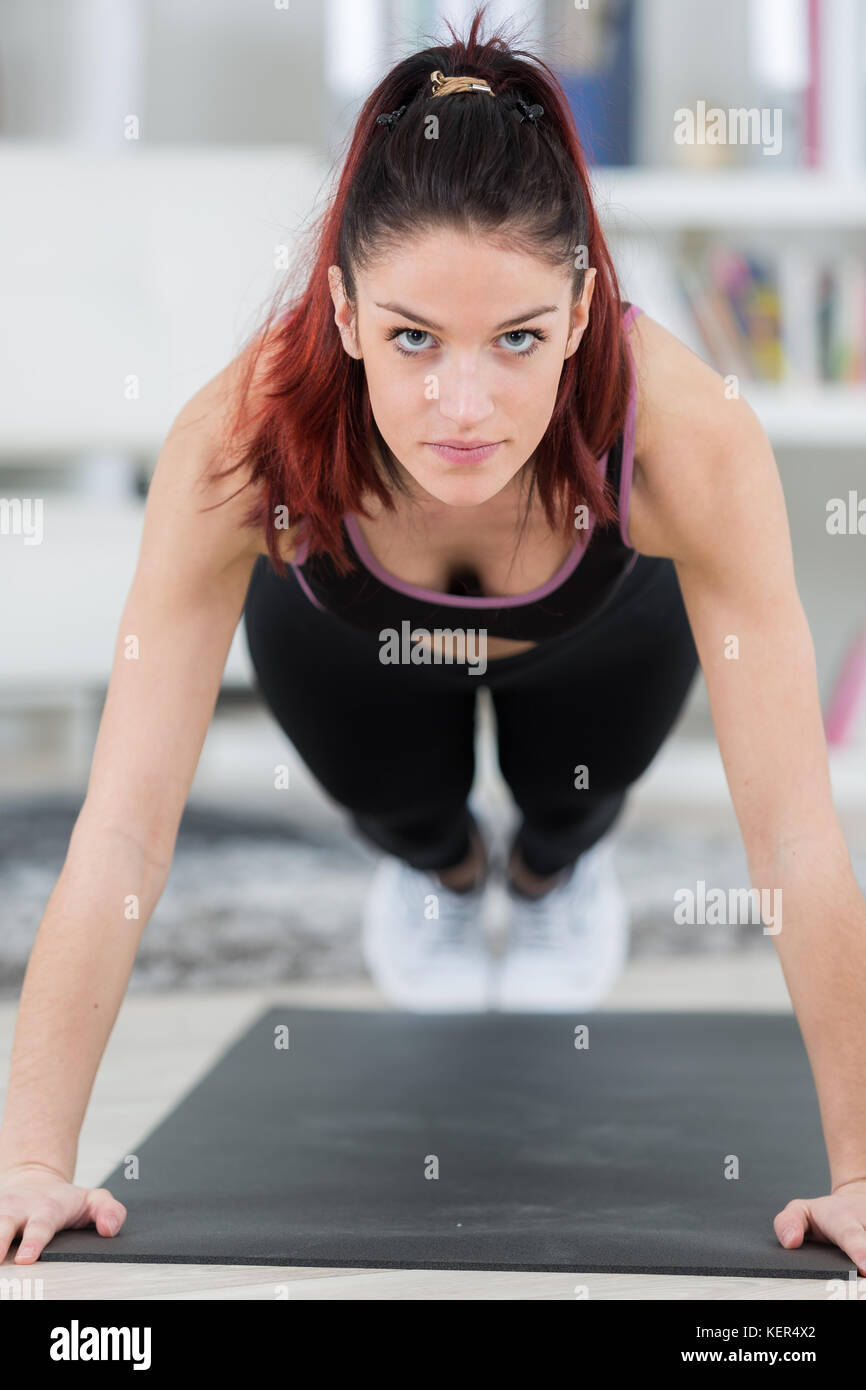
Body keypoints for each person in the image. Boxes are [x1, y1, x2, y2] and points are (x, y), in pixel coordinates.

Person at [2, 5, 866, 1277]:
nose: (463, 409)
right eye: (413, 337)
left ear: (578, 312)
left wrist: (861, 1174)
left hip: (592, 639)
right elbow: (124, 829)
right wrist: (30, 1156)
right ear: (344, 311)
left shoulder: (689, 436)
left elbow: (793, 829)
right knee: (407, 811)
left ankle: (543, 875)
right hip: (348, 636)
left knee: (567, 806)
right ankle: (450, 875)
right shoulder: (237, 442)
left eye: (516, 338)